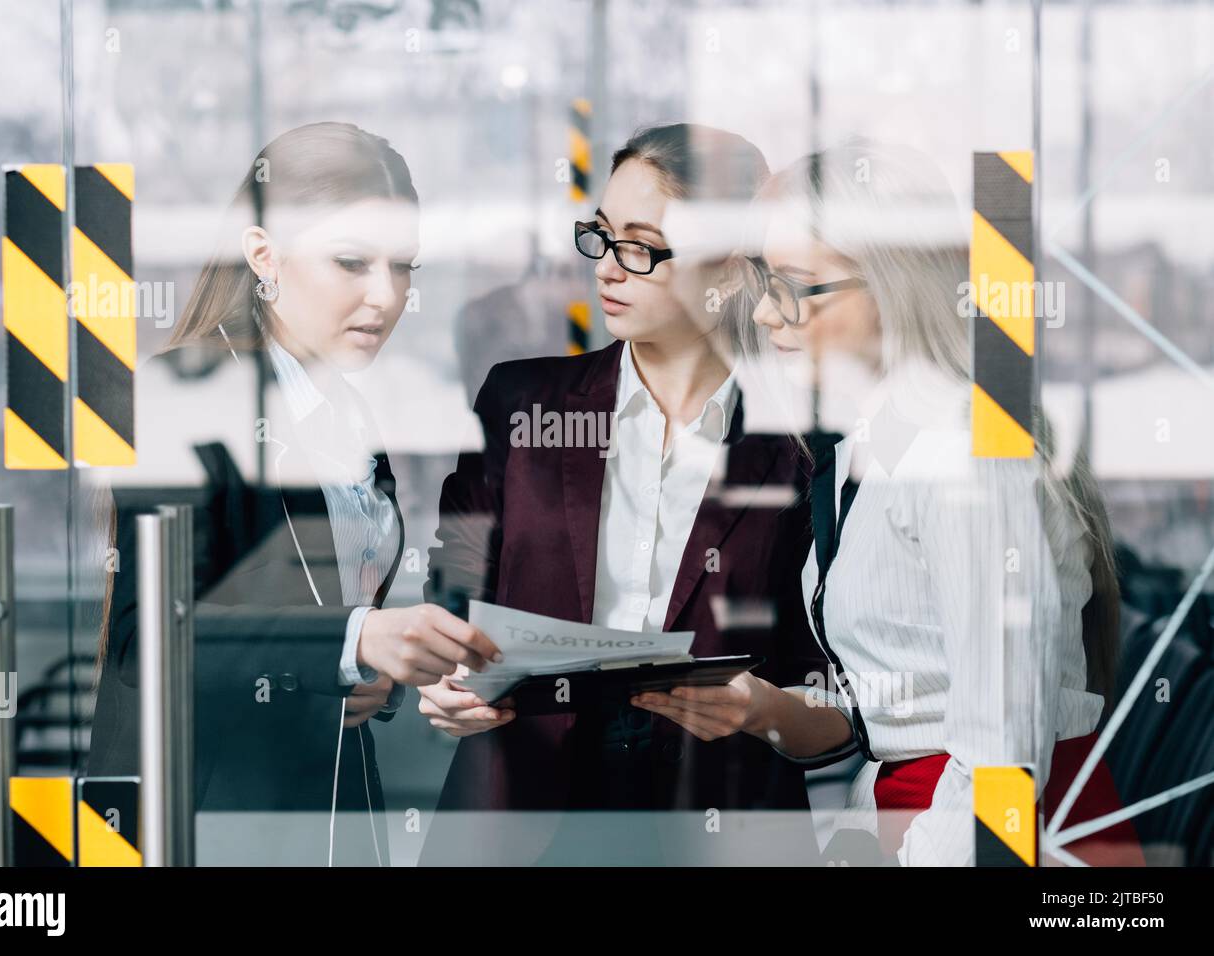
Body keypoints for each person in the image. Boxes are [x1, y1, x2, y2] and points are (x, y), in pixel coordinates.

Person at [417, 124, 845, 864]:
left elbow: (841, 693)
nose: (609, 269)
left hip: (725, 823)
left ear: (734, 269)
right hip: (523, 818)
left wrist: (767, 711)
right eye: (603, 237)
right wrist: (450, 682)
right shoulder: (524, 403)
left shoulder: (806, 448)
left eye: (642, 245)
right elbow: (458, 591)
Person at [86, 122, 500, 864]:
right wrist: (355, 638)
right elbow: (146, 642)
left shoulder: (346, 411)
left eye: (402, 266)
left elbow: (328, 617)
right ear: (264, 256)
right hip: (216, 818)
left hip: (334, 811)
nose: (386, 295)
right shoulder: (184, 396)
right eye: (351, 261)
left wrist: (373, 672)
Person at [723, 140, 1144, 865]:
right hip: (924, 820)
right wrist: (769, 711)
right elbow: (913, 692)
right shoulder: (870, 445)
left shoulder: (964, 455)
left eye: (794, 285)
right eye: (763, 279)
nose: (764, 313)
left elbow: (999, 755)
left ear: (893, 284)